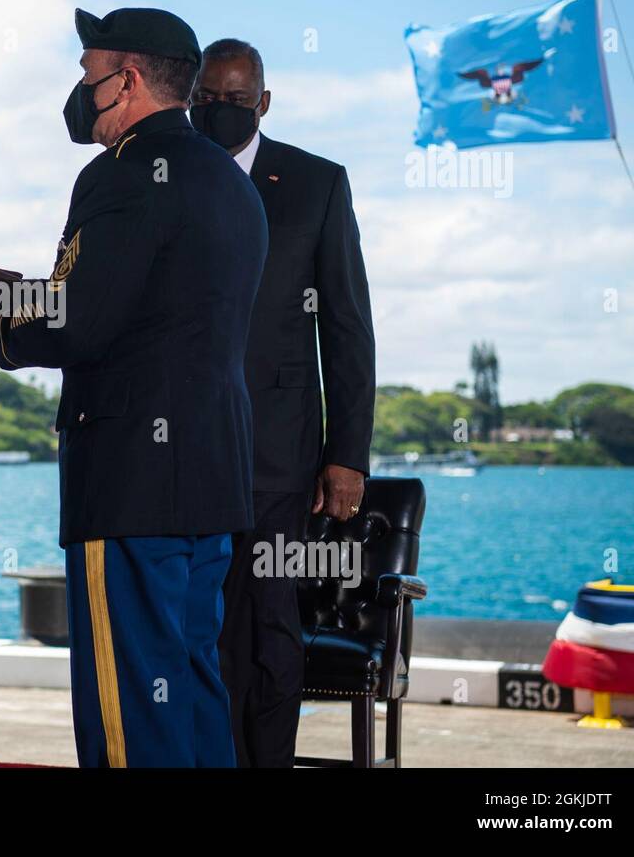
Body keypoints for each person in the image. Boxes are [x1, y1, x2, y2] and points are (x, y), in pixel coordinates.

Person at [0, 8, 267, 767]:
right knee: (190, 692)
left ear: (125, 81)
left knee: (129, 712)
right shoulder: (230, 180)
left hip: (130, 481)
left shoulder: (121, 175)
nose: (80, 91)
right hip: (210, 481)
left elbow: (80, 317)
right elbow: (145, 310)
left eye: (88, 75)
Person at [191, 38, 376, 768]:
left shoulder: (317, 183)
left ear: (263, 102)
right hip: (187, 450)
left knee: (271, 627)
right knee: (198, 627)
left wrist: (346, 457)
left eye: (237, 100)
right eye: (209, 98)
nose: (222, 110)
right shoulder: (167, 173)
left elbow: (348, 327)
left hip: (283, 461)